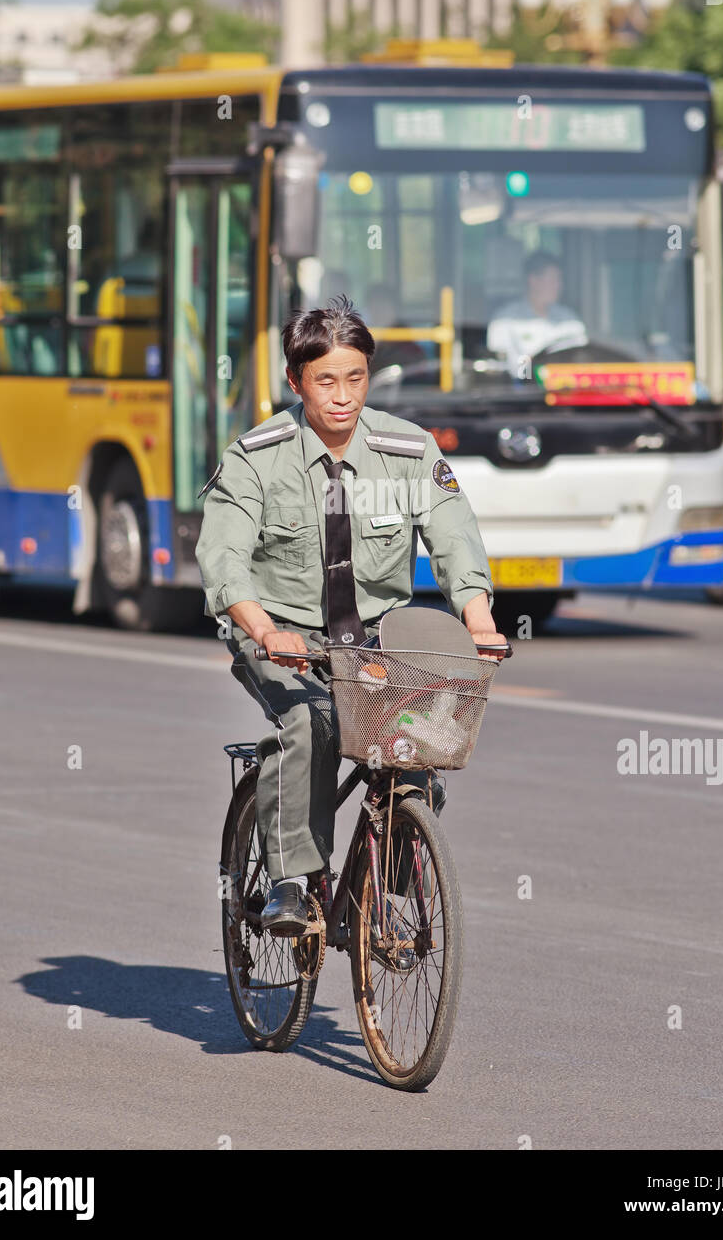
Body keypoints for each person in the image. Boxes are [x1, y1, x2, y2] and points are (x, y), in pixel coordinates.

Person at [196, 294, 507, 936]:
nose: (343, 396)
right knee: (312, 723)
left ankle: (402, 833)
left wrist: (477, 619)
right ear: (295, 381)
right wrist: (262, 630)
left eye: (356, 378)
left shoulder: (409, 450)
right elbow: (223, 560)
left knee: (420, 719)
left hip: (374, 642)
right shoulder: (257, 457)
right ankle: (290, 880)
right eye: (325, 380)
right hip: (283, 637)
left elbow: (454, 538)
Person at [486, 250, 587, 375]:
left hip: (564, 390)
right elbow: (498, 368)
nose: (558, 285)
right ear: (533, 280)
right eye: (552, 280)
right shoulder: (504, 321)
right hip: (523, 392)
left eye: (559, 280)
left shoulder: (570, 320)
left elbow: (583, 359)